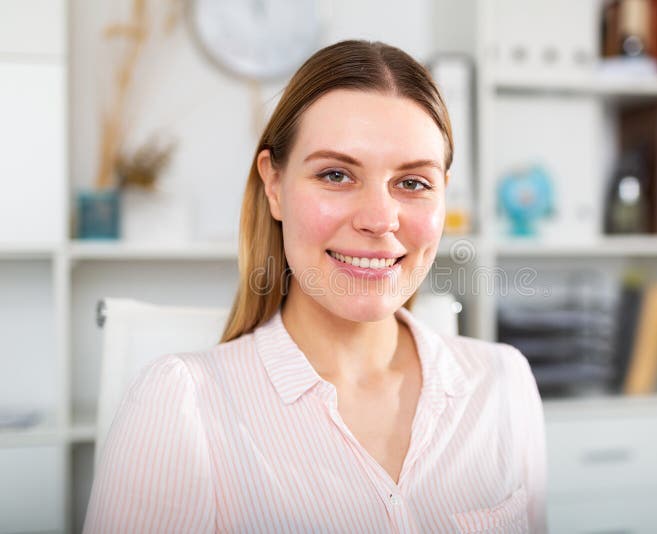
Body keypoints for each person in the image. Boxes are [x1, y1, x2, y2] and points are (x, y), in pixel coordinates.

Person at [83, 39, 547, 533]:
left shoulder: (503, 383)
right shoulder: (182, 407)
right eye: (336, 174)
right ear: (274, 186)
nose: (379, 220)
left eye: (413, 183)